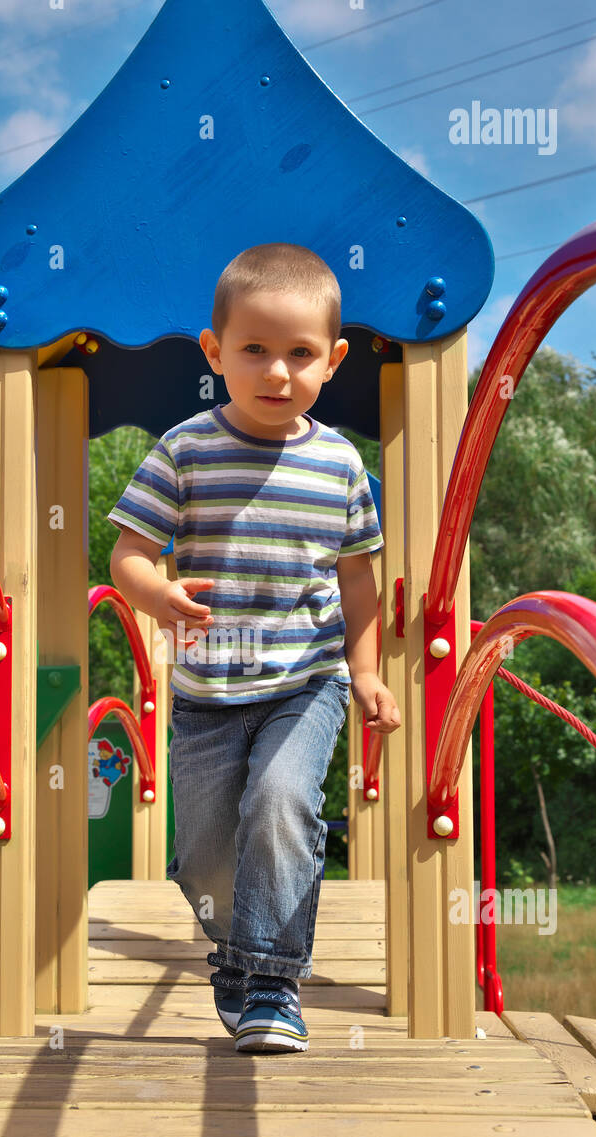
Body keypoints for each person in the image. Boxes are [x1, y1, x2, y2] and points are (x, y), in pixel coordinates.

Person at [106, 243, 401, 1053]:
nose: (278, 372)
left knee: (279, 802)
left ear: (333, 360)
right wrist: (156, 591)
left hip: (306, 682)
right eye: (255, 350)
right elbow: (126, 553)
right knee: (202, 858)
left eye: (301, 354)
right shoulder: (186, 449)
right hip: (206, 692)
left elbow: (359, 581)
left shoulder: (340, 465)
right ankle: (234, 956)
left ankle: (272, 981)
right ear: (215, 352)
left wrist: (367, 672)